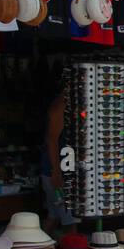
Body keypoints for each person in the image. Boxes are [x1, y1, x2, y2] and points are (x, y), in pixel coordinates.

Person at [41, 75, 77, 237]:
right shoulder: (60, 106)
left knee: (54, 216)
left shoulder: (67, 106)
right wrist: (56, 172)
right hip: (55, 170)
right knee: (69, 221)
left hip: (58, 169)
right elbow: (52, 140)